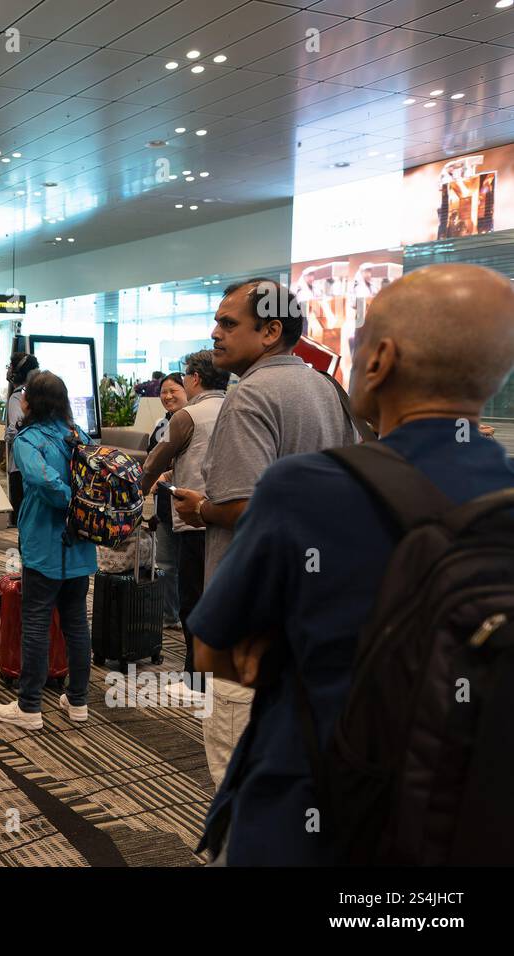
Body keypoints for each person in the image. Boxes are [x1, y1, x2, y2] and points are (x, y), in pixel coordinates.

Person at [189, 263, 514, 865]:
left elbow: (213, 649)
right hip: (455, 804)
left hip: (313, 807)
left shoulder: (303, 490)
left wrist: (286, 636)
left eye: (360, 338)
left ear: (381, 359)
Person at [172, 279, 359, 786]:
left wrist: (203, 508)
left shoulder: (251, 395)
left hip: (250, 620)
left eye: (228, 324)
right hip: (313, 612)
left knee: (240, 780)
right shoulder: (327, 389)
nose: (215, 334)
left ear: (271, 330)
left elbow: (242, 504)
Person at [0, 371, 97, 730]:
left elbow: (41, 482)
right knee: (76, 622)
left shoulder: (28, 439)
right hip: (81, 542)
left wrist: (68, 499)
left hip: (45, 544)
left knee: (36, 622)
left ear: (30, 402)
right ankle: (78, 701)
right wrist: (81, 504)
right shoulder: (78, 435)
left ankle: (30, 707)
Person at [139, 353, 229, 693]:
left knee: (193, 598)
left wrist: (138, 493)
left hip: (197, 519)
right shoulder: (238, 405)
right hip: (234, 517)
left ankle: (195, 680)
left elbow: (154, 463)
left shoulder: (187, 415)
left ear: (194, 378)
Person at [147, 372, 186, 630]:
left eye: (174, 391)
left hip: (187, 502)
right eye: (164, 391)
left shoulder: (191, 422)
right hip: (163, 503)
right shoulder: (163, 423)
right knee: (164, 563)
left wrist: (161, 471)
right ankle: (169, 614)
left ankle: (187, 615)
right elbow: (153, 456)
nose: (168, 396)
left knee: (187, 565)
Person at [3, 351, 39, 527]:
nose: (9, 371)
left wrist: (7, 436)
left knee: (21, 515)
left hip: (20, 465)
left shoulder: (18, 396)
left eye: (10, 366)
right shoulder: (43, 396)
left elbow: (16, 428)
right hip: (38, 464)